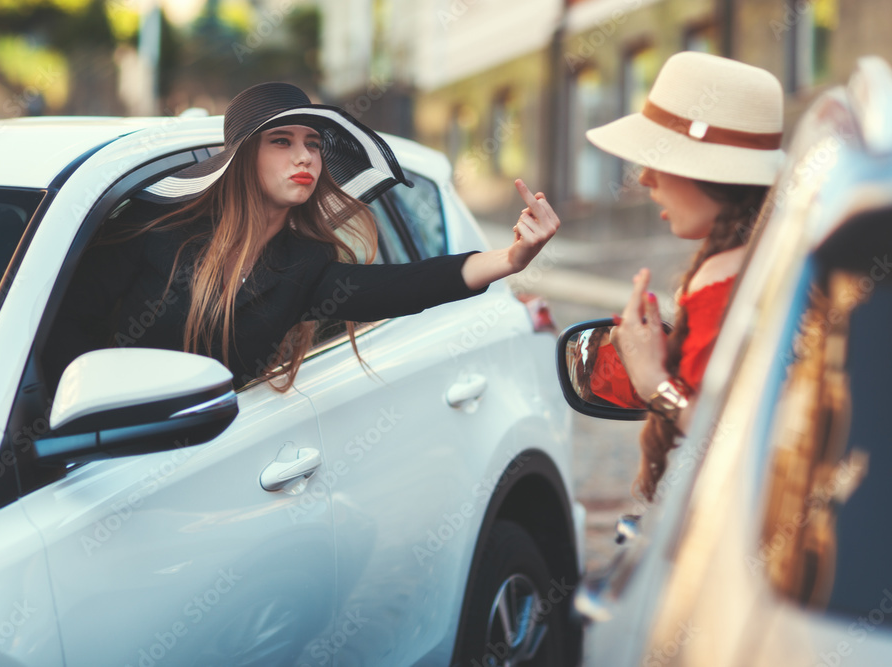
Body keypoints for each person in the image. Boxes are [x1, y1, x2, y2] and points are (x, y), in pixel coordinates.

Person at [45, 82, 560, 391]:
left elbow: (405, 286)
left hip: (218, 464)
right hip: (105, 455)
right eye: (282, 141)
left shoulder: (305, 265)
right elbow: (60, 332)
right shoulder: (153, 231)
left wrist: (512, 257)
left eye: (313, 143)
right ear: (242, 158)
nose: (305, 157)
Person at [583, 51, 784, 501]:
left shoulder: (723, 276)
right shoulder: (775, 254)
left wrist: (653, 382)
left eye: (659, 158)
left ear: (714, 177)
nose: (645, 178)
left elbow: (733, 440)